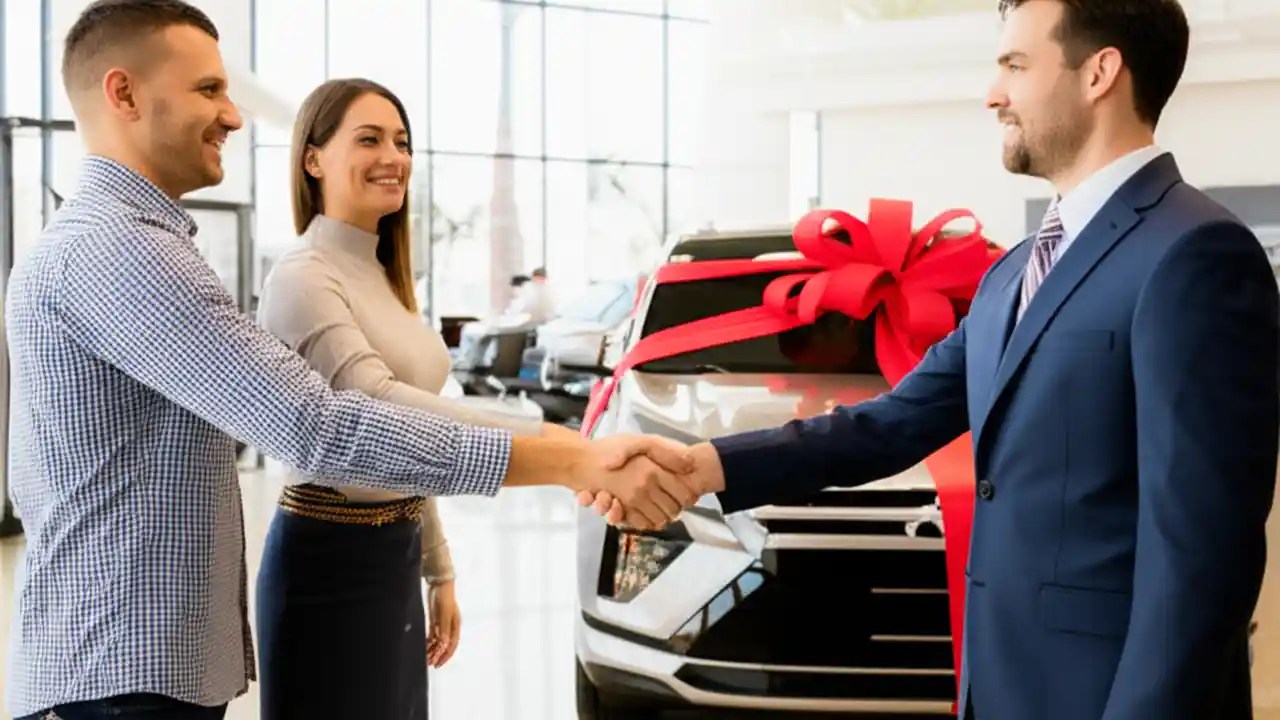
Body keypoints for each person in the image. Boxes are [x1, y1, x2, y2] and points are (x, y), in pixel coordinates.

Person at [584, 1, 1279, 718]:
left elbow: (1202, 553)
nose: (992, 93)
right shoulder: (1015, 272)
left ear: (1100, 72)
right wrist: (701, 466)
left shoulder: (1194, 254)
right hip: (1001, 687)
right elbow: (890, 425)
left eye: (1015, 65)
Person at [2, 2, 694, 719]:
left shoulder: (133, 245)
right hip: (116, 676)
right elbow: (322, 427)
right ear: (123, 93)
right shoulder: (121, 252)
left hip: (136, 666)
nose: (233, 116)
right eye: (209, 90)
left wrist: (449, 552)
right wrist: (570, 458)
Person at [252, 78, 576, 719]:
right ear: (313, 159)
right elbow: (380, 406)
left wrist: (438, 567)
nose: (393, 157)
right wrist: (548, 446)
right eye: (368, 138)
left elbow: (407, 448)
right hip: (326, 565)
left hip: (393, 557)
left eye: (401, 141)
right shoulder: (302, 276)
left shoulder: (383, 273)